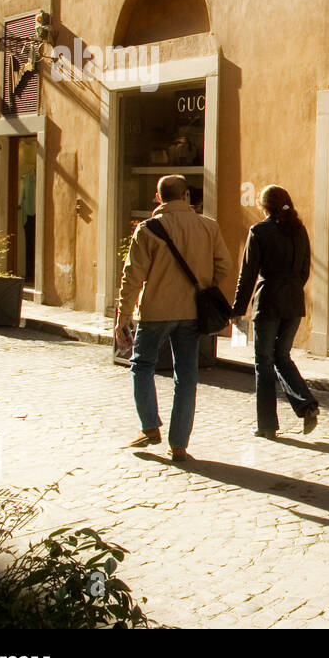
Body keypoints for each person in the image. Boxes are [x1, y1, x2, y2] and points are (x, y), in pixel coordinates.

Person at [115, 175, 232, 462]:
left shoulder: (149, 229)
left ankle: (150, 426)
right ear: (187, 196)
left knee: (142, 365)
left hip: (156, 310)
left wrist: (123, 316)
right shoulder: (208, 226)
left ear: (158, 198)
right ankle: (179, 444)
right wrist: (205, 285)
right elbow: (225, 267)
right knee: (187, 375)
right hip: (193, 311)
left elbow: (133, 277)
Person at [231, 185, 318, 439]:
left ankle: (267, 425)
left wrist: (238, 308)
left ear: (264, 206)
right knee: (282, 355)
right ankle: (306, 404)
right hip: (293, 302)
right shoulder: (298, 230)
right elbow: (304, 269)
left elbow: (247, 274)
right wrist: (291, 289)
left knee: (264, 362)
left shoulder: (259, 231)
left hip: (268, 301)